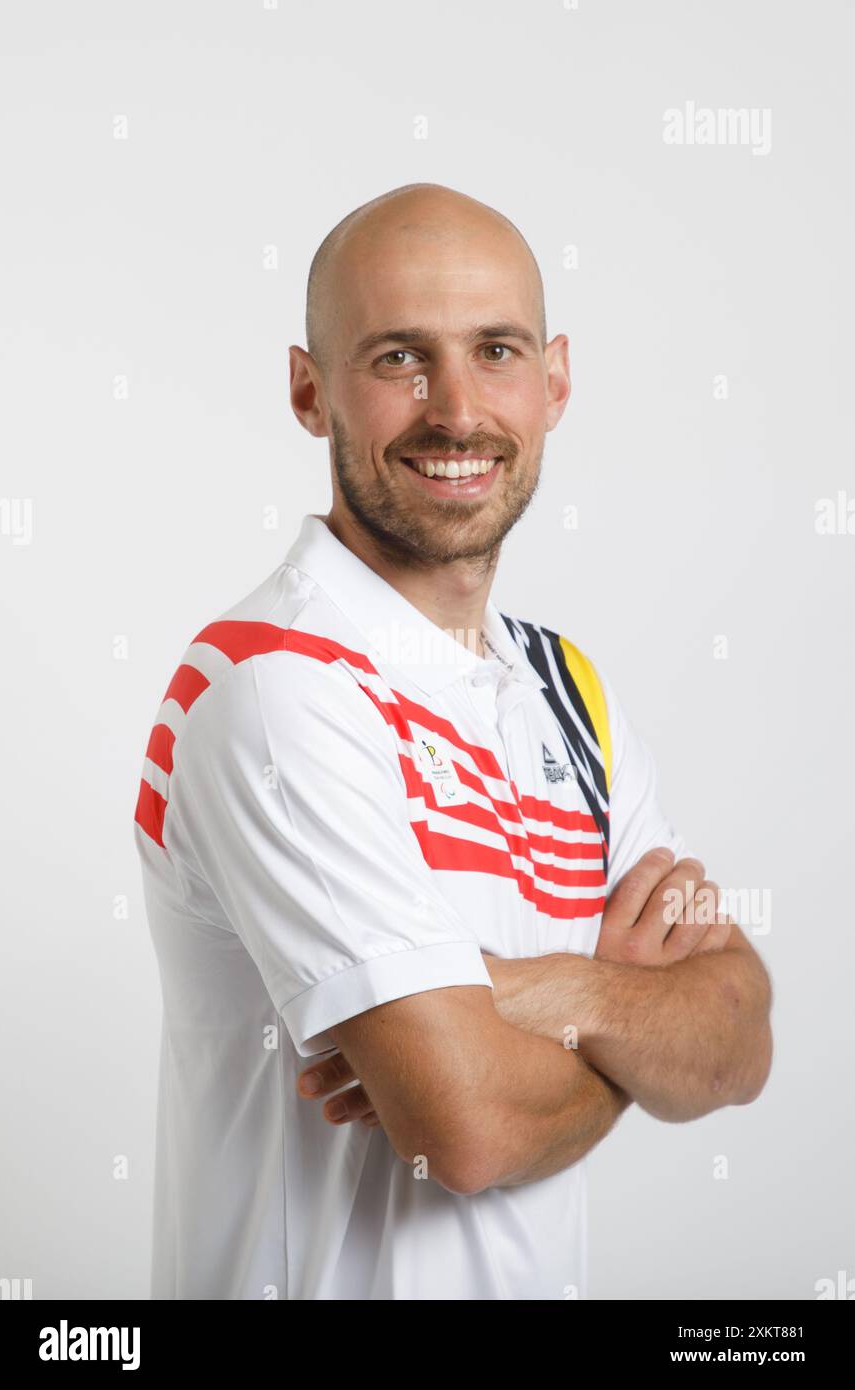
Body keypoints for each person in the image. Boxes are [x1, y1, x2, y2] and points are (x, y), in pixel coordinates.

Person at [134, 182, 773, 1300]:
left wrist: (519, 992)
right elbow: (467, 1130)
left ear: (554, 380)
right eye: (397, 358)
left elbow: (737, 1040)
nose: (457, 411)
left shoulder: (568, 692)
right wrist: (628, 1026)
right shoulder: (277, 686)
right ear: (307, 389)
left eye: (495, 351)